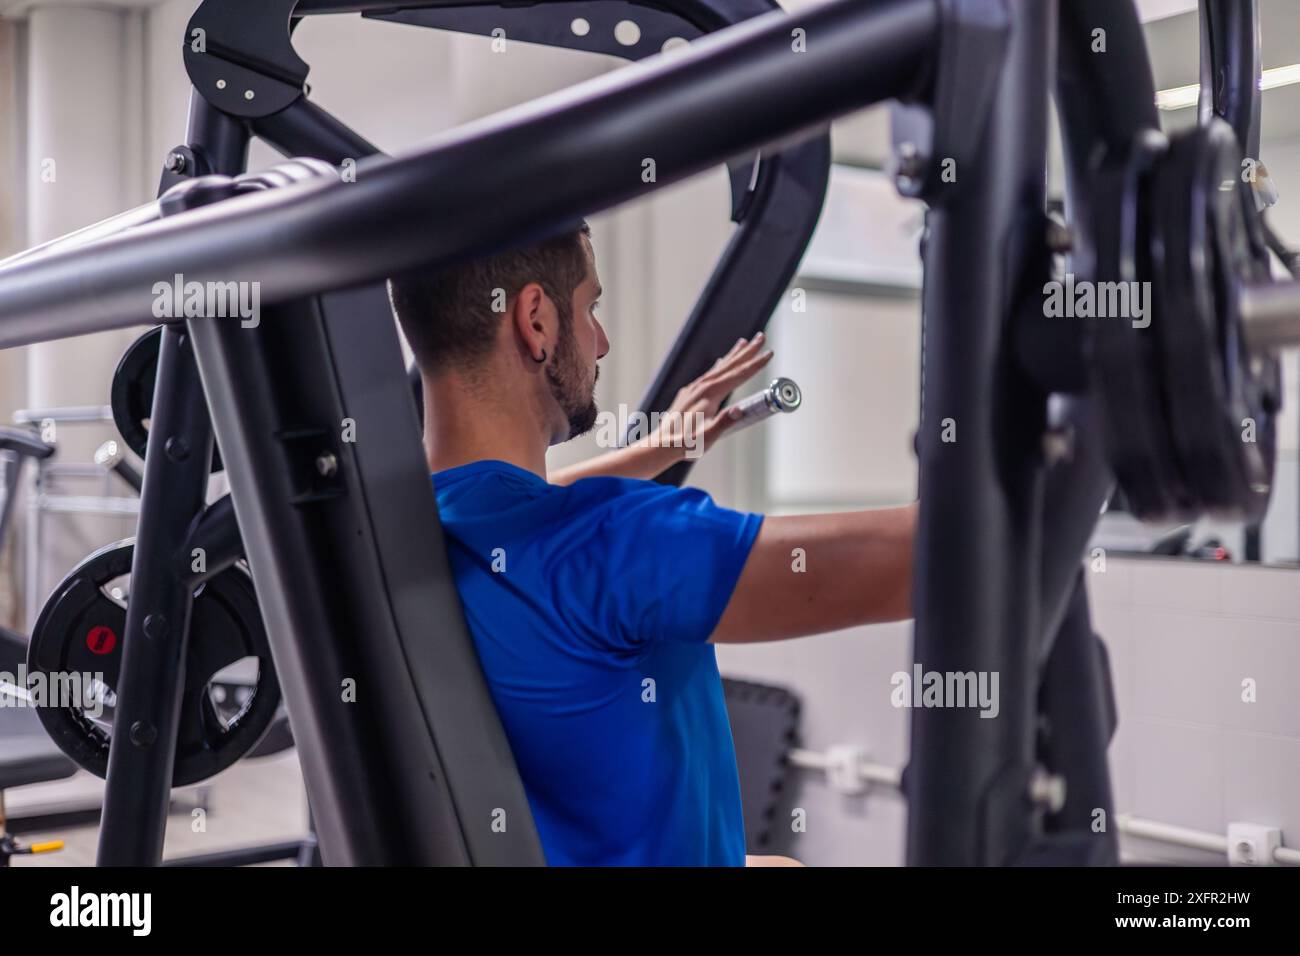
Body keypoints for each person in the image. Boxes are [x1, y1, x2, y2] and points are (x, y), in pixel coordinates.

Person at [387, 222, 916, 866]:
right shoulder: (620, 542)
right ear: (535, 321)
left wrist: (662, 447)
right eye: (590, 307)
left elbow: (530, 505)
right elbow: (918, 563)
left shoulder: (407, 525)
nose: (601, 341)